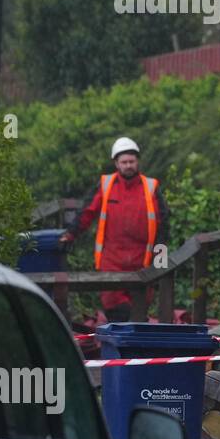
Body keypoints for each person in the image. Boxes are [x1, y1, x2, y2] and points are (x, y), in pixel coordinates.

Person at [61, 137, 170, 322]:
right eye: (124, 162)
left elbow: (163, 225)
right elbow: (87, 212)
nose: (128, 166)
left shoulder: (151, 187)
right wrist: (70, 235)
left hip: (142, 263)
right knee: (117, 311)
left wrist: (161, 263)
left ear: (137, 162)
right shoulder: (106, 184)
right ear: (116, 164)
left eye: (131, 161)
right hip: (112, 263)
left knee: (139, 313)